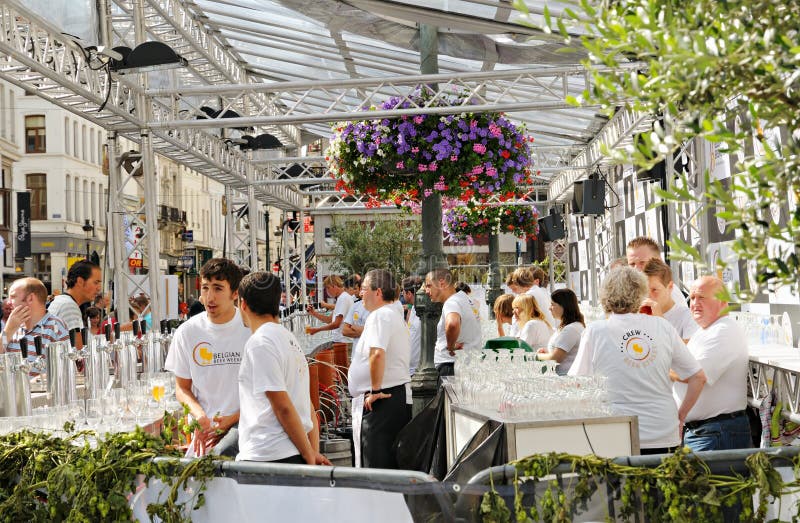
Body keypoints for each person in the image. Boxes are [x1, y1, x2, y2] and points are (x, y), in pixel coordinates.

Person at [569, 267, 707, 454]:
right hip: (663, 430)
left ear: (605, 295)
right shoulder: (663, 326)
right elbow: (698, 377)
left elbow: (576, 382)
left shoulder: (596, 331)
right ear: (642, 293)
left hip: (615, 431)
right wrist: (681, 416)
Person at [236, 271, 330, 465]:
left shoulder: (260, 343)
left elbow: (282, 406)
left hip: (268, 455)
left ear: (242, 304)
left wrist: (309, 454)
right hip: (291, 451)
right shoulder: (288, 339)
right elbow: (307, 405)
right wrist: (311, 452)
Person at [164, 258, 251, 457]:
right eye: (205, 288)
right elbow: (182, 388)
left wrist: (232, 420)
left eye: (218, 288)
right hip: (206, 437)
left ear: (235, 293)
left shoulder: (250, 328)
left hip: (248, 432)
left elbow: (265, 393)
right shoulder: (187, 332)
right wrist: (199, 416)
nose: (210, 297)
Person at [673, 276, 751, 451]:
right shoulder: (706, 330)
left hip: (716, 433)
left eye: (701, 297)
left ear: (722, 302)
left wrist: (659, 366)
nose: (694, 303)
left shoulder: (723, 330)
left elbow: (693, 375)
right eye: (692, 298)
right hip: (707, 432)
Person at [348, 269, 411, 469]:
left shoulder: (380, 315)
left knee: (375, 466)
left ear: (378, 292)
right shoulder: (391, 314)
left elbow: (377, 353)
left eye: (364, 289)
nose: (360, 293)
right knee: (384, 463)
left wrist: (375, 390)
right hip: (390, 397)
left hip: (381, 400)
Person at [424, 268, 482, 377]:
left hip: (450, 365)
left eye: (428, 286)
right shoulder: (467, 299)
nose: (426, 291)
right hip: (468, 363)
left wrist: (450, 346)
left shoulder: (452, 302)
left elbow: (452, 323)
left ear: (441, 283)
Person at [2, 278, 70, 369]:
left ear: (30, 298)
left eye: (13, 296)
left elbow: (66, 367)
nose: (8, 302)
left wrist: (39, 378)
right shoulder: (13, 326)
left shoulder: (55, 326)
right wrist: (8, 330)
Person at [47, 260, 102, 349]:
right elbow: (78, 351)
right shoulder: (69, 306)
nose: (99, 288)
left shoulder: (63, 301)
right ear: (80, 281)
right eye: (96, 282)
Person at [642, 258, 699, 342]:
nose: (648, 296)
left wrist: (661, 321)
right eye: (645, 290)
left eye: (654, 290)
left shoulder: (689, 316)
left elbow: (688, 348)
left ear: (670, 287)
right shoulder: (640, 316)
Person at [626, 236, 687, 307]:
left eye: (642, 262)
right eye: (632, 264)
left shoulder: (669, 293)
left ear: (658, 261)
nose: (637, 269)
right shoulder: (630, 292)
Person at [536, 289, 585, 374]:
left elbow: (555, 359)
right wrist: (548, 353)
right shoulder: (569, 327)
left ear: (564, 306)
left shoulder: (571, 329)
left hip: (566, 376)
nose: (549, 308)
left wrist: (535, 356)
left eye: (552, 304)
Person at [306, 275, 353, 341]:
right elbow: (329, 320)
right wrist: (314, 313)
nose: (327, 291)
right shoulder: (341, 298)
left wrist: (317, 330)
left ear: (334, 286)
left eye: (328, 288)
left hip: (343, 341)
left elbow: (336, 324)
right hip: (341, 340)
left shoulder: (343, 298)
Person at [401, 276, 422, 376]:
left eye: (403, 292)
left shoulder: (423, 311)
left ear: (409, 293)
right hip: (408, 370)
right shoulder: (413, 308)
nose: (402, 294)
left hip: (418, 371)